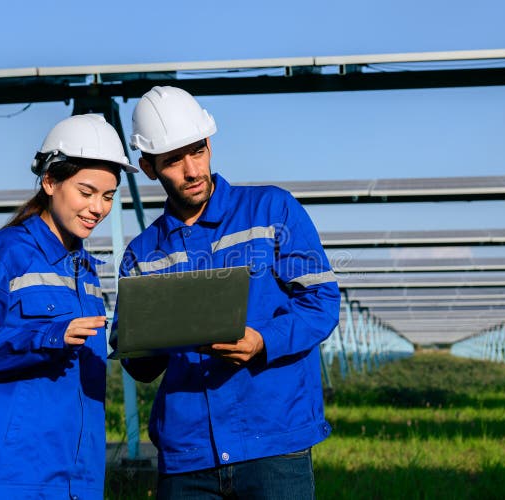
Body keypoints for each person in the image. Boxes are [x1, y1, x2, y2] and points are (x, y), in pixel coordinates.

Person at [112, 86, 341, 499]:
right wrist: (139, 339)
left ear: (209, 144)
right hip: (188, 456)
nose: (192, 170)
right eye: (173, 161)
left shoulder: (273, 210)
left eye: (197, 151)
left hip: (273, 445)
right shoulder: (142, 254)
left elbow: (321, 301)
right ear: (148, 167)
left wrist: (263, 342)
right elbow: (141, 366)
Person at [0, 114, 138, 500]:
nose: (98, 207)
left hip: (78, 478)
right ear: (50, 182)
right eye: (86, 191)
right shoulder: (2, 254)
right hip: (13, 476)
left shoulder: (85, 272)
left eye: (108, 196)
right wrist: (48, 336)